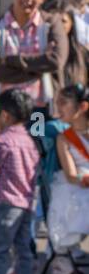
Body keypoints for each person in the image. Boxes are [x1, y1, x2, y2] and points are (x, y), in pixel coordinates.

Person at [0, 89, 41, 274]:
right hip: (26, 203)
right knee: (23, 251)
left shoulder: (1, 142)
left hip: (4, 203)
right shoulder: (31, 143)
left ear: (5, 115)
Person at [0, 0, 66, 108]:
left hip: (42, 106)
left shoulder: (51, 23)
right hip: (5, 110)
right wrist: (39, 66)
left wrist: (11, 61)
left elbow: (56, 61)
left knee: (39, 130)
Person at [47, 83, 89, 259]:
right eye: (56, 102)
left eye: (63, 102)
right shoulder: (62, 136)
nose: (58, 107)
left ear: (83, 106)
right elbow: (72, 176)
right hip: (76, 192)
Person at [44, 0, 88, 92]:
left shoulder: (83, 54)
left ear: (72, 24)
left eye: (63, 21)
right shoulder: (35, 50)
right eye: (53, 21)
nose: (58, 26)